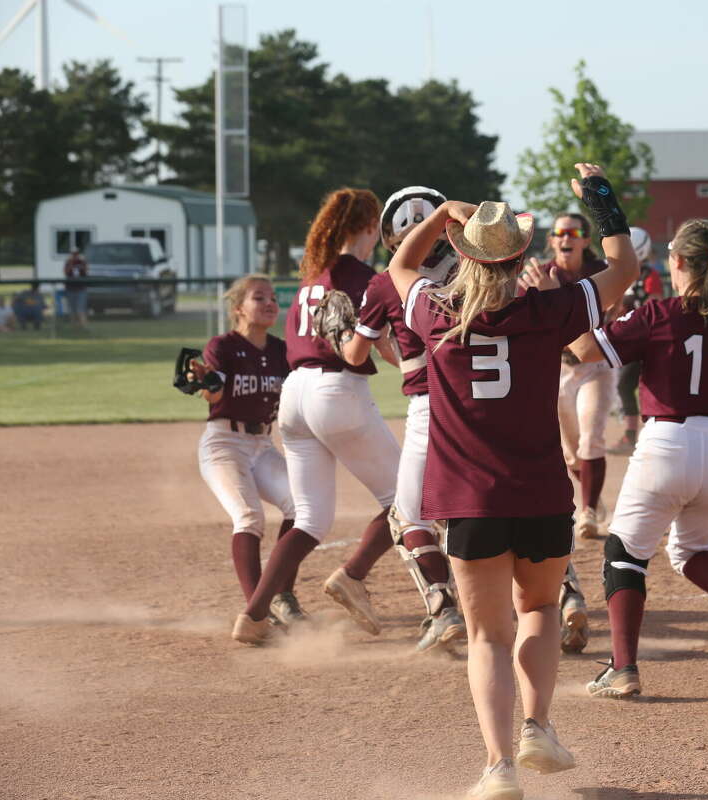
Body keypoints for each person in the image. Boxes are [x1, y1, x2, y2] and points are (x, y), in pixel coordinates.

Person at [387, 164, 637, 799]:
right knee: (540, 609)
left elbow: (397, 272)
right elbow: (624, 271)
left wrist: (443, 215)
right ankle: (538, 726)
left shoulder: (436, 311)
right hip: (541, 494)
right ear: (520, 255)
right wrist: (603, 203)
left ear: (464, 252)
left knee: (488, 637)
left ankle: (499, 769)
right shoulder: (549, 308)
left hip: (469, 499)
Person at [568, 218, 708, 699]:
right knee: (691, 550)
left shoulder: (659, 313)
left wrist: (606, 310)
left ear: (677, 262)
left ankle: (622, 669)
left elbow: (580, 350)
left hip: (669, 443)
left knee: (625, 554)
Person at [232, 188, 404, 645]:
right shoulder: (366, 278)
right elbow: (387, 349)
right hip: (337, 391)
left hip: (295, 394)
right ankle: (353, 574)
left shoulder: (311, 278)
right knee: (407, 497)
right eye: (376, 230)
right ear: (367, 229)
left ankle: (253, 615)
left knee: (309, 518)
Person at [340, 185, 466, 653]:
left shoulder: (384, 283)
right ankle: (566, 593)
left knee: (408, 515)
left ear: (394, 239)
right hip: (489, 403)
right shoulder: (476, 269)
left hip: (430, 407)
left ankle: (441, 606)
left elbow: (354, 355)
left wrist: (348, 336)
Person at [516, 211, 614, 656]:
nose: (564, 239)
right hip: (557, 369)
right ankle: (588, 488)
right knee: (570, 450)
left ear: (584, 239)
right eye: (557, 233)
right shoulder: (542, 271)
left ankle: (589, 510)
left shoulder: (597, 273)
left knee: (592, 436)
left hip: (594, 365)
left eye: (572, 232)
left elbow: (611, 311)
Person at [186, 275, 303, 623]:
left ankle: (282, 595)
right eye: (258, 297)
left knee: (301, 506)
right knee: (249, 517)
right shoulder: (223, 346)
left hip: (262, 443)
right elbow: (213, 394)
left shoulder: (281, 350)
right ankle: (258, 613)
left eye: (272, 298)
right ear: (238, 308)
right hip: (224, 444)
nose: (269, 303)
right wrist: (205, 378)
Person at [608, 227, 664, 455]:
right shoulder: (621, 275)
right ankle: (633, 435)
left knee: (642, 386)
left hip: (646, 340)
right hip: (626, 340)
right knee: (623, 385)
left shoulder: (649, 276)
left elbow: (656, 307)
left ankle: (643, 436)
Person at [63, 249, 88, 326]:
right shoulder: (68, 262)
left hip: (81, 289)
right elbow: (65, 272)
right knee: (72, 310)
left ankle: (83, 326)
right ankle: (73, 326)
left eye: (76, 254)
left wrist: (81, 265)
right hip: (70, 289)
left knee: (80, 309)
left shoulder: (82, 262)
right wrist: (71, 263)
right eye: (73, 254)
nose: (75, 256)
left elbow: (86, 271)